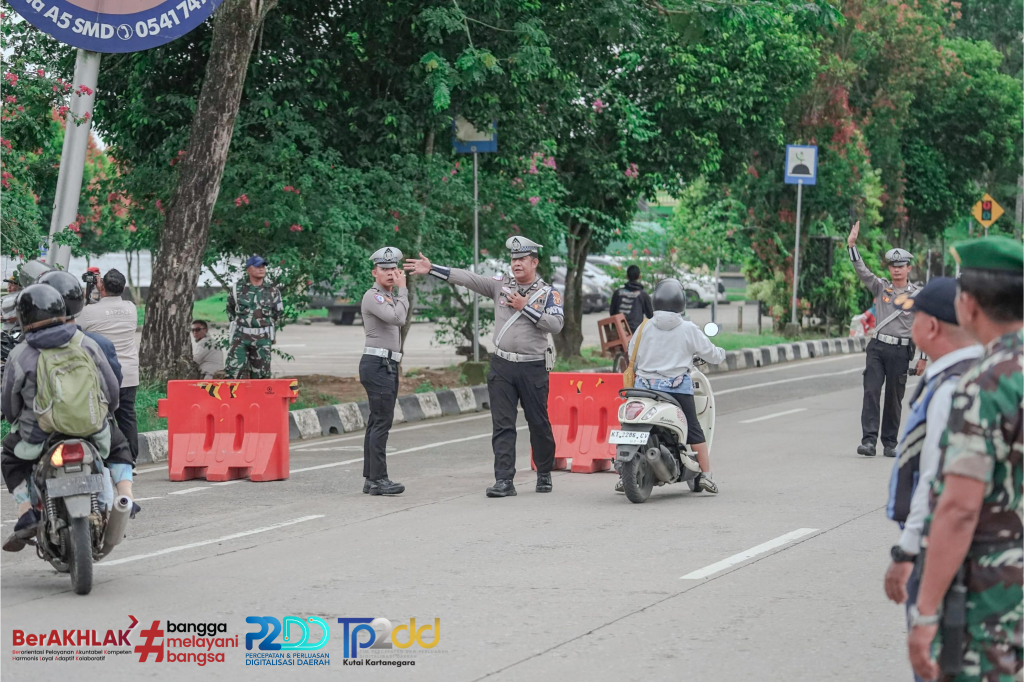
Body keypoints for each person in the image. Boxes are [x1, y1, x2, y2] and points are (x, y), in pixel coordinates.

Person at [907, 236, 1023, 682]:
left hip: (990, 594)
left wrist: (927, 611)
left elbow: (958, 508)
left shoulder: (984, 385)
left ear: (969, 305)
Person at [405, 236, 564, 497]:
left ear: (534, 262)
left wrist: (526, 308)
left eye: (522, 259)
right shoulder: (501, 286)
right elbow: (469, 278)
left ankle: (544, 471)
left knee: (538, 422)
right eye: (513, 259)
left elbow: (556, 325)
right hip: (502, 365)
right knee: (503, 424)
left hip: (532, 366)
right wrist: (433, 269)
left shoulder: (548, 293)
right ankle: (504, 480)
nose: (517, 264)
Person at [881, 278, 982, 681]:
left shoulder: (952, 387)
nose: (912, 324)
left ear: (933, 328)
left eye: (916, 315)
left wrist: (906, 551)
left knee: (939, 664)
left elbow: (935, 480)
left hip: (948, 551)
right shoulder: (981, 373)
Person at [1, 284, 135, 552]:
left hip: (41, 434)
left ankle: (26, 510)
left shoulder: (20, 354)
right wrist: (105, 416)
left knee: (9, 456)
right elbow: (110, 387)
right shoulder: (86, 343)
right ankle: (126, 497)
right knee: (120, 447)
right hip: (91, 427)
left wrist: (16, 420)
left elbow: (10, 405)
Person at [621, 278, 726, 494]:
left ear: (655, 301)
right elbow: (711, 355)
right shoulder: (688, 328)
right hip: (676, 390)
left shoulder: (644, 327)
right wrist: (721, 353)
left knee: (626, 426)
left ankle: (624, 476)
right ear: (681, 302)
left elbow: (632, 355)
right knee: (693, 429)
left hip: (644, 389)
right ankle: (706, 475)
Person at [847, 221, 927, 458]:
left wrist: (922, 358)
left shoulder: (917, 295)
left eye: (901, 266)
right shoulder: (881, 287)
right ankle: (869, 441)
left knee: (894, 397)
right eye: (893, 266)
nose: (896, 270)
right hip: (878, 347)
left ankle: (890, 443)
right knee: (871, 391)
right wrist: (852, 245)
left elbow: (923, 327)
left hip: (902, 351)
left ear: (908, 268)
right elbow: (862, 270)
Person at [75, 268, 141, 462]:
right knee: (127, 415)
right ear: (123, 287)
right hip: (128, 372)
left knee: (101, 416)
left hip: (102, 374)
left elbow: (78, 328)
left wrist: (91, 291)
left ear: (101, 286)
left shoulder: (88, 312)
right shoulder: (131, 308)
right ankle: (131, 460)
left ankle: (106, 457)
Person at [359, 247, 409, 496]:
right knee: (381, 422)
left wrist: (400, 293)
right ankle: (379, 479)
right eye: (385, 269)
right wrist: (404, 290)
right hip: (377, 364)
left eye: (393, 269)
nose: (390, 273)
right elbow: (398, 319)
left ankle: (371, 478)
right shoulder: (374, 297)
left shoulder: (389, 296)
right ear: (374, 272)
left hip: (386, 364)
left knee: (376, 421)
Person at [226, 255, 283, 380]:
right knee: (233, 374)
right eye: (257, 266)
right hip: (240, 337)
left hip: (262, 339)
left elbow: (277, 313)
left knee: (261, 377)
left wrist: (262, 325)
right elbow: (230, 309)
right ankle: (233, 399)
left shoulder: (273, 291)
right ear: (248, 270)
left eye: (263, 266)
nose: (261, 269)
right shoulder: (238, 289)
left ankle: (257, 400)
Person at [609, 265, 653, 333]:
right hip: (634, 332)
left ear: (626, 277)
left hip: (618, 331)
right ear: (639, 277)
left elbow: (612, 312)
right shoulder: (643, 295)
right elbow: (650, 315)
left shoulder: (617, 293)